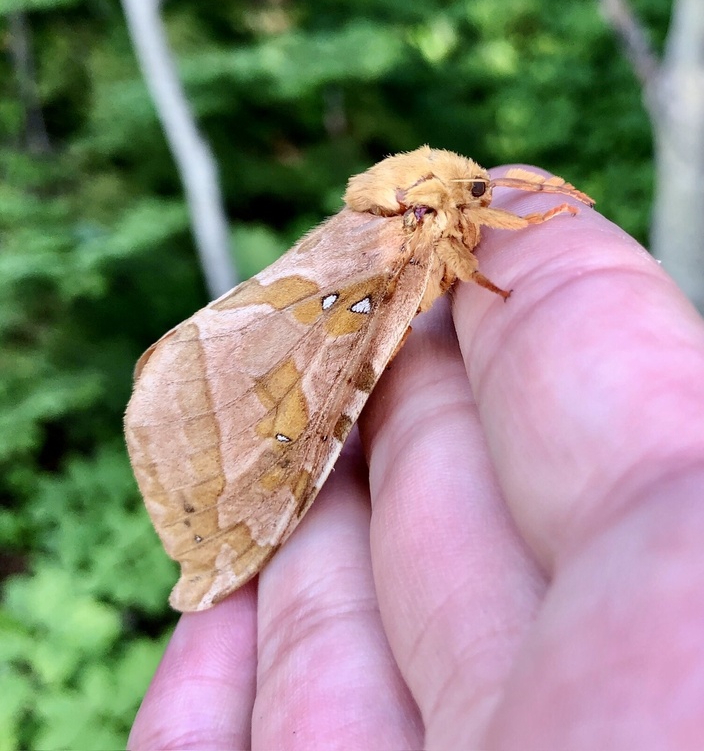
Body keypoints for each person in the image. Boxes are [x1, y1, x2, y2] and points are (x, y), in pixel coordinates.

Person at [128, 169, 704, 750]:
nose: (483, 204)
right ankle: (215, 519)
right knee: (314, 402)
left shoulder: (421, 213)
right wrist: (529, 224)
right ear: (439, 207)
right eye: (476, 197)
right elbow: (466, 261)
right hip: (307, 336)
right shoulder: (419, 228)